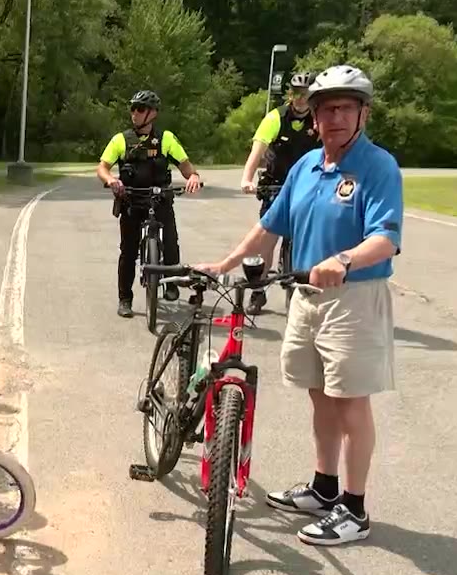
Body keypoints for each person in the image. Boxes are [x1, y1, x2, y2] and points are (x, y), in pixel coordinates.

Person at [195, 65, 402, 546]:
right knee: (319, 393)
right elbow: (270, 227)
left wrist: (345, 259)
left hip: (352, 297)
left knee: (351, 403)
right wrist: (227, 262)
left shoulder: (377, 166)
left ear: (363, 114)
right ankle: (324, 487)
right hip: (305, 296)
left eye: (344, 108)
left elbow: (386, 238)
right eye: (325, 108)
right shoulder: (307, 166)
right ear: (313, 116)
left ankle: (354, 508)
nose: (333, 117)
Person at [96, 90, 203, 318]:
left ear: (153, 113)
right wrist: (111, 180)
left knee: (171, 239)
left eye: (140, 109)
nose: (135, 113)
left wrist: (192, 176)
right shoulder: (121, 140)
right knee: (128, 250)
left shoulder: (166, 139)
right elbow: (102, 167)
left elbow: (184, 164)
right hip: (131, 200)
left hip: (160, 197)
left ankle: (171, 283)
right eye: (133, 108)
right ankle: (125, 299)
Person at [239, 71, 320, 314]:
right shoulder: (275, 117)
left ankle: (308, 286)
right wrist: (246, 178)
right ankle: (258, 292)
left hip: (308, 185)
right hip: (276, 183)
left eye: (305, 94)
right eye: (296, 93)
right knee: (267, 240)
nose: (300, 99)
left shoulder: (319, 119)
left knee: (312, 237)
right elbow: (257, 151)